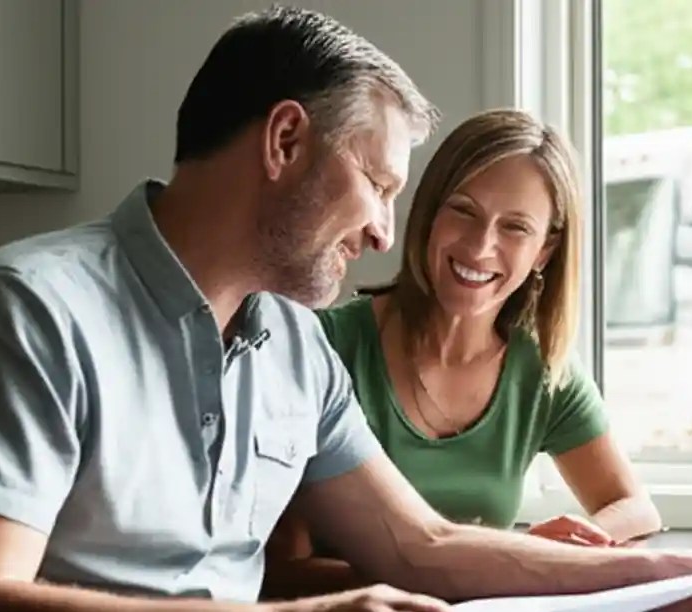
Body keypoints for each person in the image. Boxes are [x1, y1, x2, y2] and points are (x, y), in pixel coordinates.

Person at [0, 6, 692, 612]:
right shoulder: (32, 308)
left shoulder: (297, 346)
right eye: (378, 184)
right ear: (285, 140)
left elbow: (423, 545)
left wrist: (647, 580)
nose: (385, 229)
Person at [268, 109, 661, 568]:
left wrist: (569, 543)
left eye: (515, 227)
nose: (479, 247)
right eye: (463, 211)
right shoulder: (324, 348)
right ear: (430, 215)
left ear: (545, 252)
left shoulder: (543, 371)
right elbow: (283, 563)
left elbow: (636, 509)